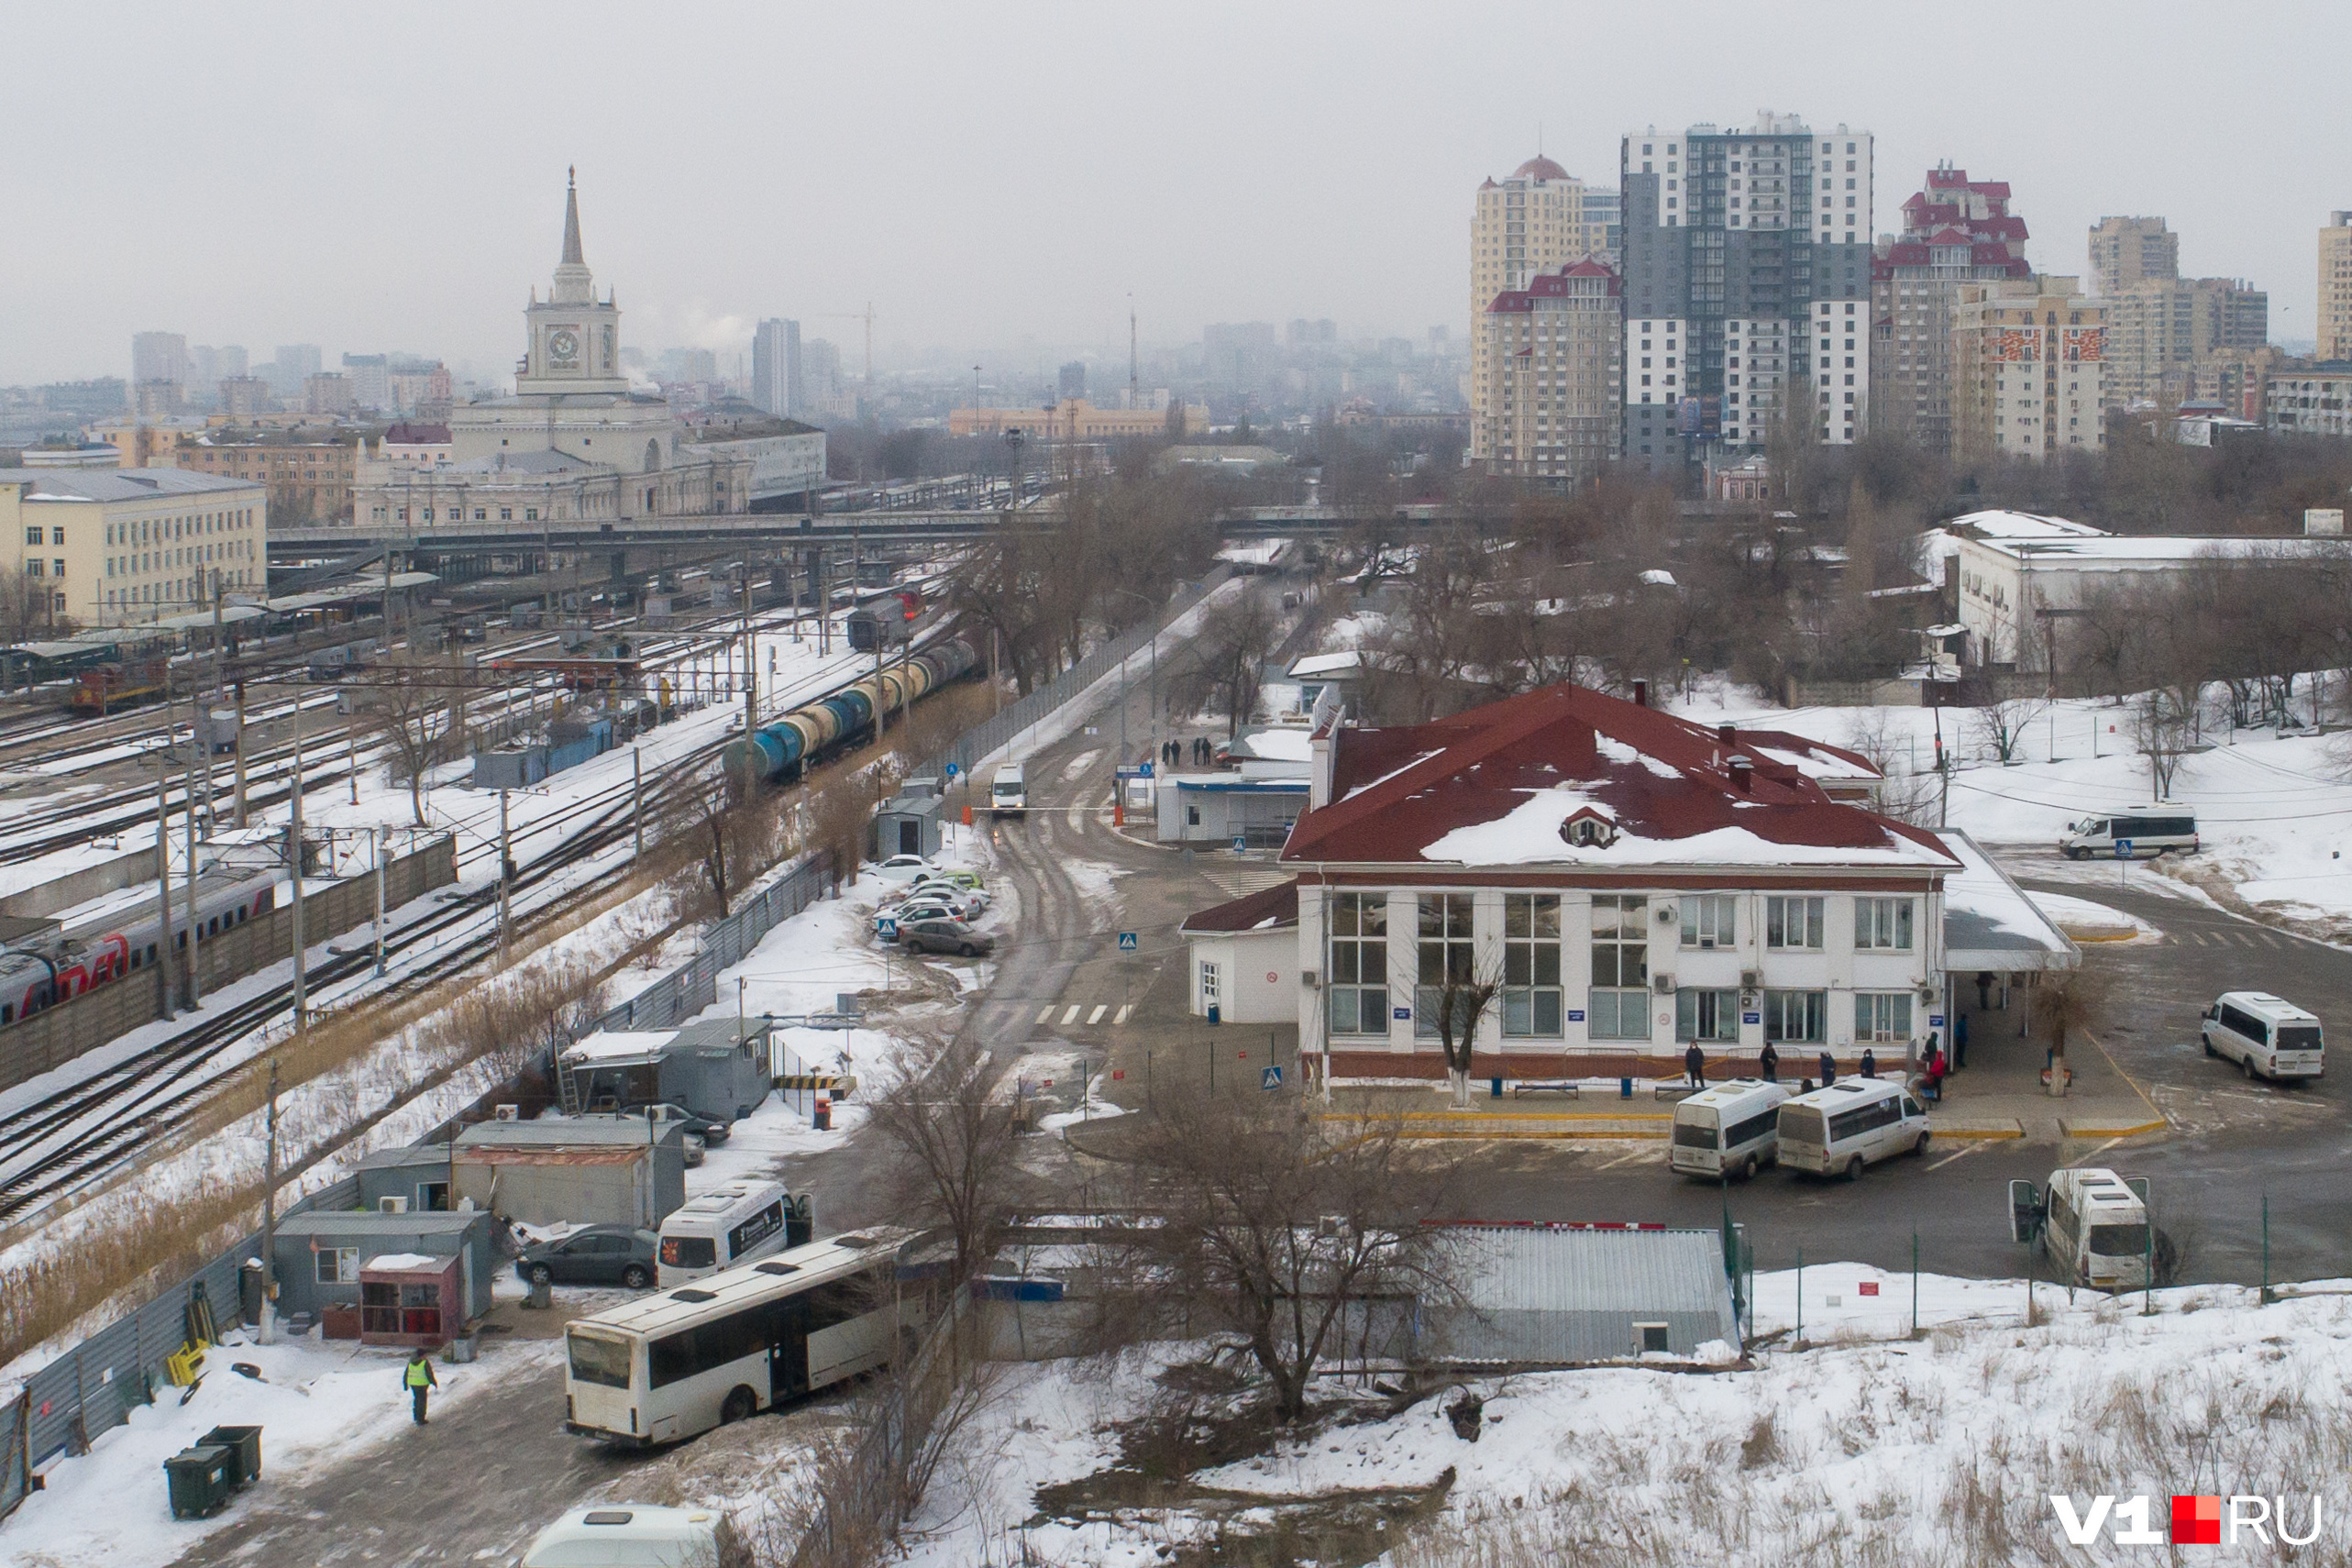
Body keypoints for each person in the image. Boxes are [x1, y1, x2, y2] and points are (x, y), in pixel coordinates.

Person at [404, 1347, 438, 1425]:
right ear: (422, 1356)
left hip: (413, 1384)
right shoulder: (424, 1362)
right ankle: (421, 1419)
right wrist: (434, 1382)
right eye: (425, 1355)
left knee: (417, 1400)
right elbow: (429, 1374)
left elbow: (406, 1374)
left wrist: (405, 1384)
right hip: (422, 1384)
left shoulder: (411, 1363)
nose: (426, 1356)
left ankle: (416, 1416)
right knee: (422, 1401)